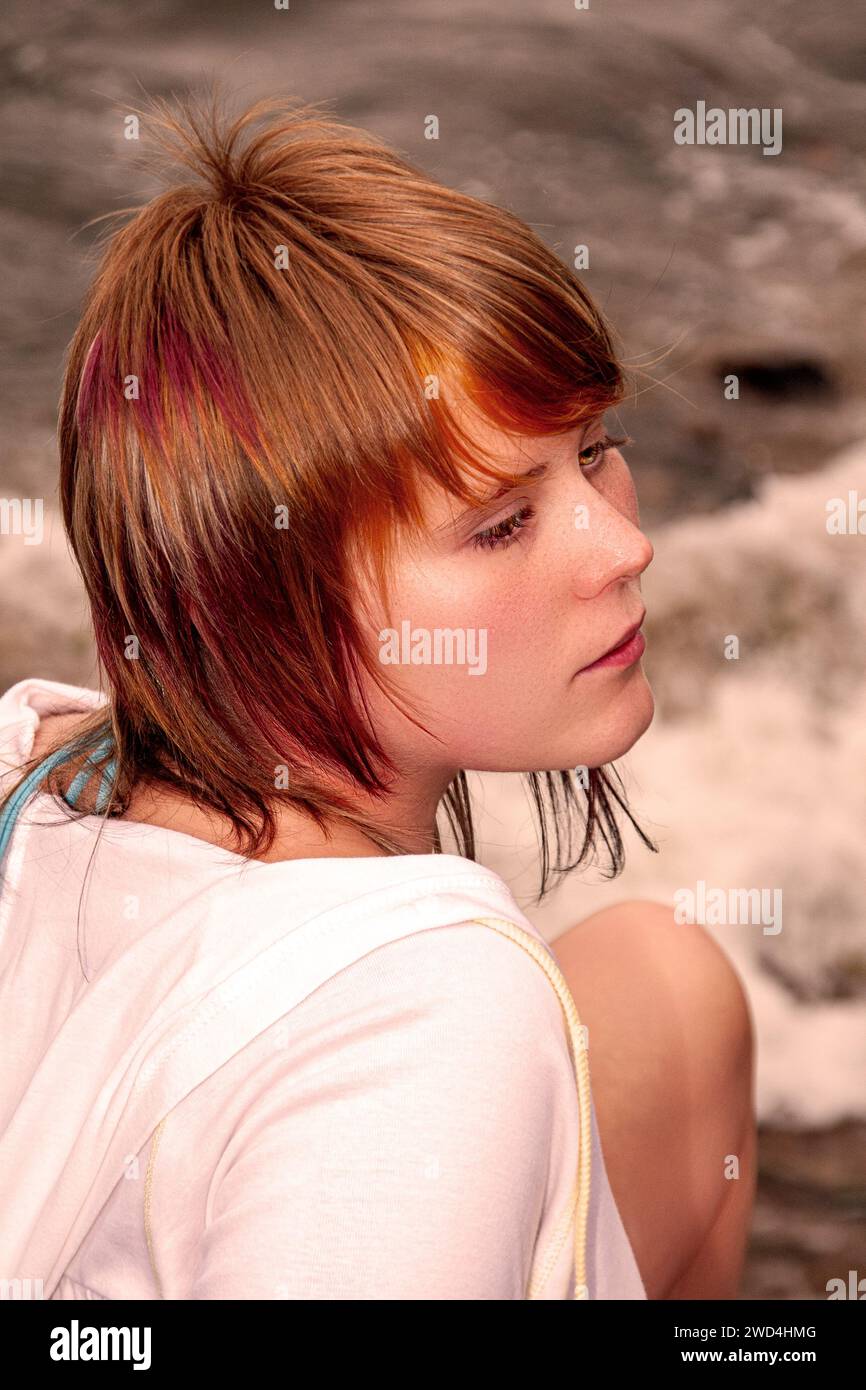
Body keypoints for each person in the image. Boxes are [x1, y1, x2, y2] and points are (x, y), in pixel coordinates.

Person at [0, 92, 755, 1300]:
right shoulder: (426, 1017)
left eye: (593, 449)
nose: (622, 546)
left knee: (665, 982)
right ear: (257, 597)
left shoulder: (38, 766)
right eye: (501, 524)